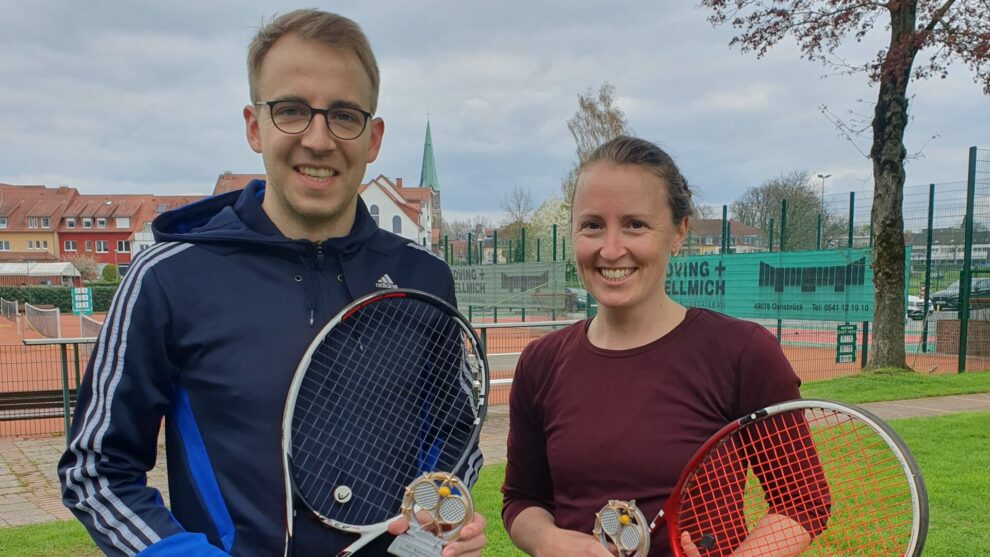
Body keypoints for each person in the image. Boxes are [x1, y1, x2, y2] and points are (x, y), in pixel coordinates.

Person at [58, 10, 485, 557]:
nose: (318, 139)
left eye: (344, 116)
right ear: (254, 125)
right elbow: (96, 468)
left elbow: (456, 436)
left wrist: (440, 523)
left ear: (373, 137)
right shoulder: (166, 277)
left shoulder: (424, 278)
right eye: (291, 111)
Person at [501, 136, 827, 557]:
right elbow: (523, 499)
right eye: (592, 224)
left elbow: (802, 502)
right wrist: (550, 541)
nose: (611, 249)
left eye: (635, 224)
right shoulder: (541, 362)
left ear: (678, 232)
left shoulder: (741, 352)